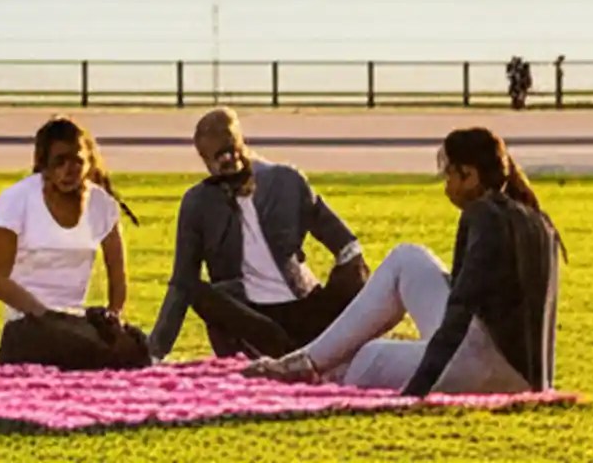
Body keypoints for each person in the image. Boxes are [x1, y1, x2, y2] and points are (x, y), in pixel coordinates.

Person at [244, 127, 566, 398]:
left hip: (488, 370)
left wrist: (417, 390)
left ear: (469, 175)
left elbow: (459, 310)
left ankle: (308, 363)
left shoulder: (483, 214)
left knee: (366, 358)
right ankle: (310, 360)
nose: (446, 186)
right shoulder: (538, 221)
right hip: (523, 376)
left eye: (449, 174)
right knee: (407, 258)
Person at [147, 108, 370, 362]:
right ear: (206, 161)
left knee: (356, 266)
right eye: (218, 156)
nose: (229, 160)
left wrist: (351, 274)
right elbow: (182, 283)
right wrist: (155, 351)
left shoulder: (287, 181)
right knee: (196, 291)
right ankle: (279, 352)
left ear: (242, 141)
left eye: (232, 148)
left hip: (305, 305)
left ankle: (337, 344)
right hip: (252, 318)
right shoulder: (198, 204)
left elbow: (346, 244)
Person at [0, 116, 150, 370]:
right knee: (75, 343)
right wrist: (44, 315)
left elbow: (118, 275)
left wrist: (113, 317)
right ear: (44, 165)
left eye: (77, 161)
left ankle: (99, 354)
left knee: (137, 345)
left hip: (76, 321)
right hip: (29, 321)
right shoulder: (15, 199)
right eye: (59, 162)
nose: (69, 170)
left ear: (89, 162)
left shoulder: (102, 204)